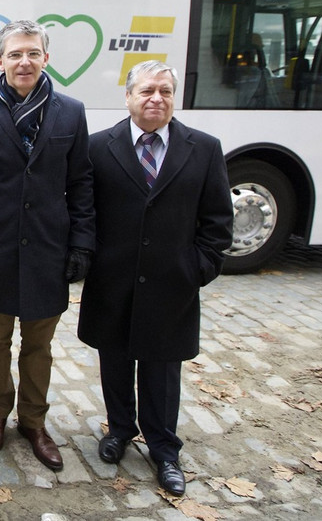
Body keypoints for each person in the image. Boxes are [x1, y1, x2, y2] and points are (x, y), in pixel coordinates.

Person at [77, 60, 233, 497]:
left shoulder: (202, 148)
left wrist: (197, 268)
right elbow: (85, 212)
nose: (156, 98)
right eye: (146, 91)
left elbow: (218, 220)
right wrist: (89, 259)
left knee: (163, 368)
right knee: (115, 359)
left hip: (172, 284)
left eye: (165, 91)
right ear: (127, 97)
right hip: (113, 280)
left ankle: (165, 448)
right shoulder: (98, 147)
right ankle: (120, 430)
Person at [0, 19, 95, 471]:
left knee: (39, 343)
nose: (24, 61)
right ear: (0, 60)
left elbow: (81, 182)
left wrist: (82, 244)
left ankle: (34, 420)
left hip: (49, 248)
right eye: (15, 54)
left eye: (32, 53)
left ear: (45, 58)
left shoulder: (71, 112)